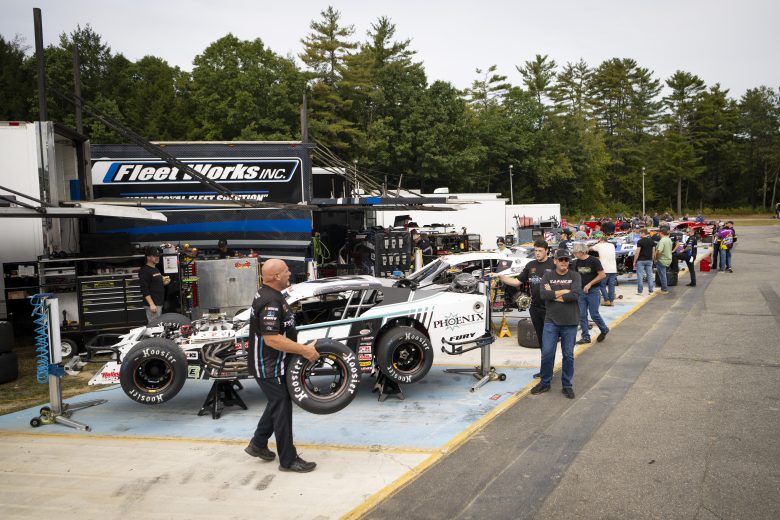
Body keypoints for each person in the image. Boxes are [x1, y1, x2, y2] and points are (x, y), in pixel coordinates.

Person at [245, 259, 320, 473]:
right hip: (269, 365)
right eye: (286, 271)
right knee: (282, 409)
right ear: (276, 276)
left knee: (277, 403)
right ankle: (288, 460)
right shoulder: (270, 301)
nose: (289, 273)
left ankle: (258, 444)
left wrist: (298, 346)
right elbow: (271, 339)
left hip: (273, 362)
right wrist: (303, 350)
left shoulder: (269, 294)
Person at [497, 240, 554, 378]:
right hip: (535, 308)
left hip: (550, 308)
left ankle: (548, 371)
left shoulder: (553, 264)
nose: (537, 253)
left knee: (549, 341)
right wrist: (501, 276)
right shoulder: (530, 265)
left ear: (547, 250)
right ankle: (545, 370)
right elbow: (517, 282)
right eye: (535, 251)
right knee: (541, 340)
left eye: (540, 251)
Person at [532, 249, 582, 399]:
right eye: (561, 260)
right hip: (551, 321)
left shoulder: (575, 275)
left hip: (570, 322)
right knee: (547, 354)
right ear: (555, 261)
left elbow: (574, 295)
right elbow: (544, 295)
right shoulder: (548, 275)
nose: (564, 262)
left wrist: (554, 294)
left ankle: (567, 385)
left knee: (568, 356)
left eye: (566, 260)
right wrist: (564, 291)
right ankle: (545, 382)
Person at [572, 243, 609, 344]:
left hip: (593, 291)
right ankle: (586, 337)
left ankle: (604, 329)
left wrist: (589, 284)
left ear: (581, 252)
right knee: (582, 315)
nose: (574, 254)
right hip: (581, 292)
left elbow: (602, 275)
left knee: (594, 314)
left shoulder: (594, 261)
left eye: (575, 252)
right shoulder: (576, 262)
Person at [138, 246, 170, 323]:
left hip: (159, 303)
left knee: (158, 326)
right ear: (148, 257)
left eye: (158, 256)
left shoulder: (155, 268)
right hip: (153, 305)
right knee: (154, 327)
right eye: (154, 256)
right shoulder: (144, 271)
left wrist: (165, 282)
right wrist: (151, 304)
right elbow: (144, 289)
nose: (157, 257)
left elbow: (157, 284)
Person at [591, 232, 617, 306]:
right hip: (613, 269)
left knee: (602, 285)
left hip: (604, 269)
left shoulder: (599, 245)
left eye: (599, 240)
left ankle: (606, 300)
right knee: (611, 286)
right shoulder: (612, 245)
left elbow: (590, 248)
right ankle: (611, 301)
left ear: (601, 240)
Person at [634, 228, 656, 295]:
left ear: (643, 233)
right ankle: (651, 291)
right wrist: (652, 259)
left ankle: (640, 291)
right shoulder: (652, 241)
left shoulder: (640, 241)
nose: (639, 234)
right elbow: (653, 252)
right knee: (650, 276)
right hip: (649, 260)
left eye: (640, 233)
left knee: (640, 276)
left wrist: (634, 261)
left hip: (641, 260)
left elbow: (637, 252)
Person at [654, 226, 673, 294]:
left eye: (659, 233)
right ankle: (663, 288)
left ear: (661, 233)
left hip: (662, 260)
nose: (658, 234)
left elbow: (659, 251)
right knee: (663, 274)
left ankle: (664, 289)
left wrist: (656, 258)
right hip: (668, 259)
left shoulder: (662, 241)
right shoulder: (669, 239)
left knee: (662, 275)